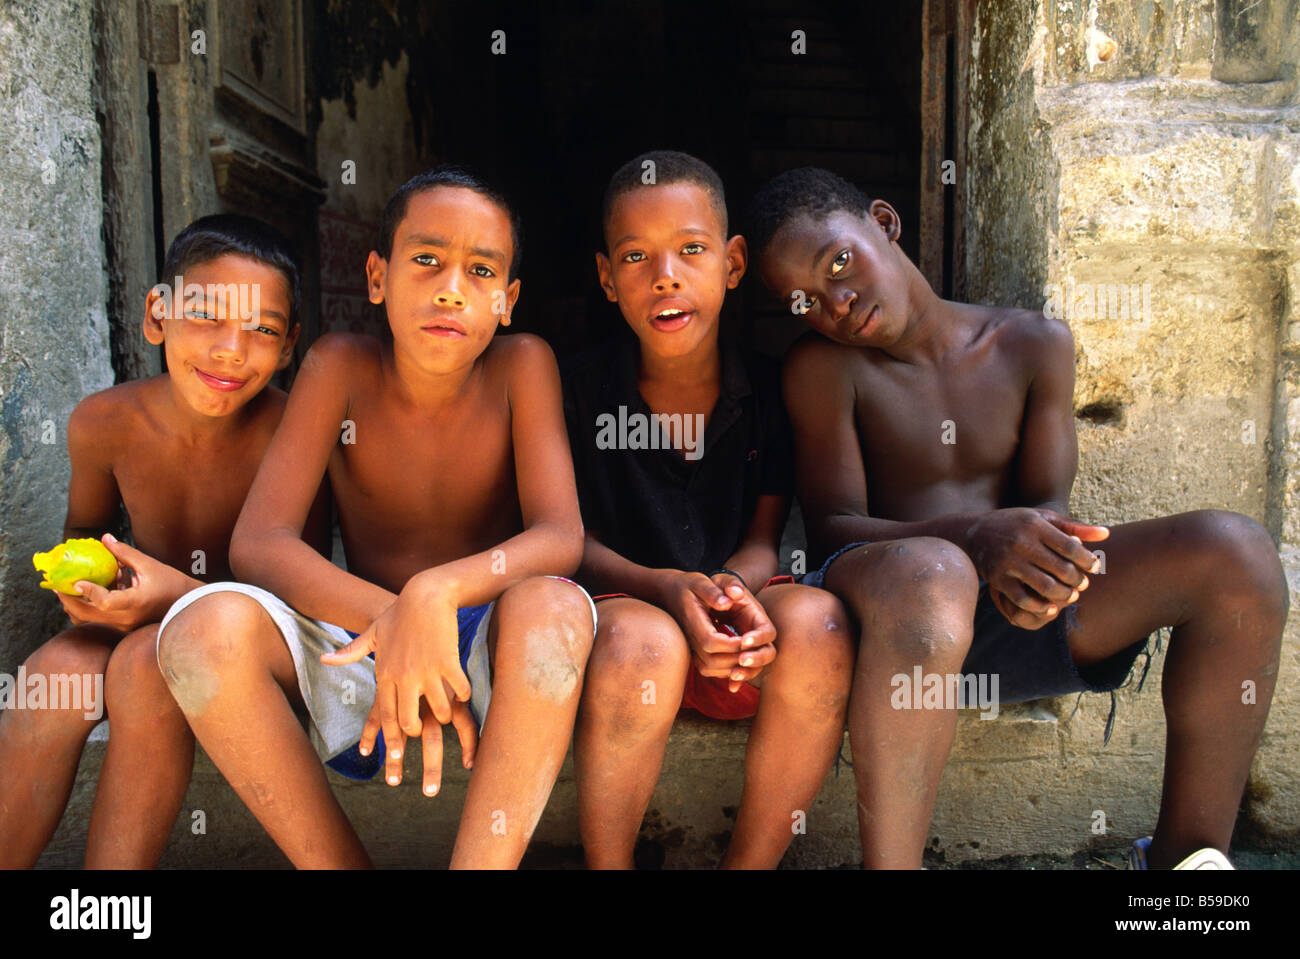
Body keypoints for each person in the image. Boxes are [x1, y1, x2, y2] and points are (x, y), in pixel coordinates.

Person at [748, 166, 1288, 869]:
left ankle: (1187, 865)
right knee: (938, 573)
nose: (838, 302)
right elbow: (835, 528)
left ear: (884, 222)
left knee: (1236, 552)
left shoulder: (1034, 344)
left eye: (840, 263)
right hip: (897, 621)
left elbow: (1048, 505)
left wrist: (1048, 573)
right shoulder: (824, 369)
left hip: (1010, 617)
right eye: (807, 301)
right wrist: (975, 537)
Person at [155, 166, 595, 869]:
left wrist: (436, 593)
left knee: (554, 608)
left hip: (481, 653)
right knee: (198, 634)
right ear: (376, 276)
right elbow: (260, 543)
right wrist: (395, 621)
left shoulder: (523, 365)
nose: (452, 286)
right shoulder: (339, 366)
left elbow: (559, 536)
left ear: (507, 300)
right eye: (426, 259)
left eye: (480, 270)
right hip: (357, 644)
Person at [0, 214, 320, 867]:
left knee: (149, 660)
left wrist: (171, 602)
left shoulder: (297, 430)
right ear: (157, 314)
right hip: (137, 618)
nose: (232, 349)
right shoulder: (104, 422)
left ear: (289, 346)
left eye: (262, 329)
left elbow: (297, 592)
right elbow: (81, 540)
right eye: (206, 315)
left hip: (249, 642)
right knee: (50, 674)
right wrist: (89, 591)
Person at [565, 151, 854, 869]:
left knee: (818, 626)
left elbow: (765, 535)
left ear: (731, 263)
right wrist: (667, 586)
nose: (665, 275)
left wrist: (729, 590)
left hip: (729, 604)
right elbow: (571, 540)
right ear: (606, 277)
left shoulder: (767, 385)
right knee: (645, 646)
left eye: (691, 250)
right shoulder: (575, 386)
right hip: (621, 610)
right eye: (636, 256)